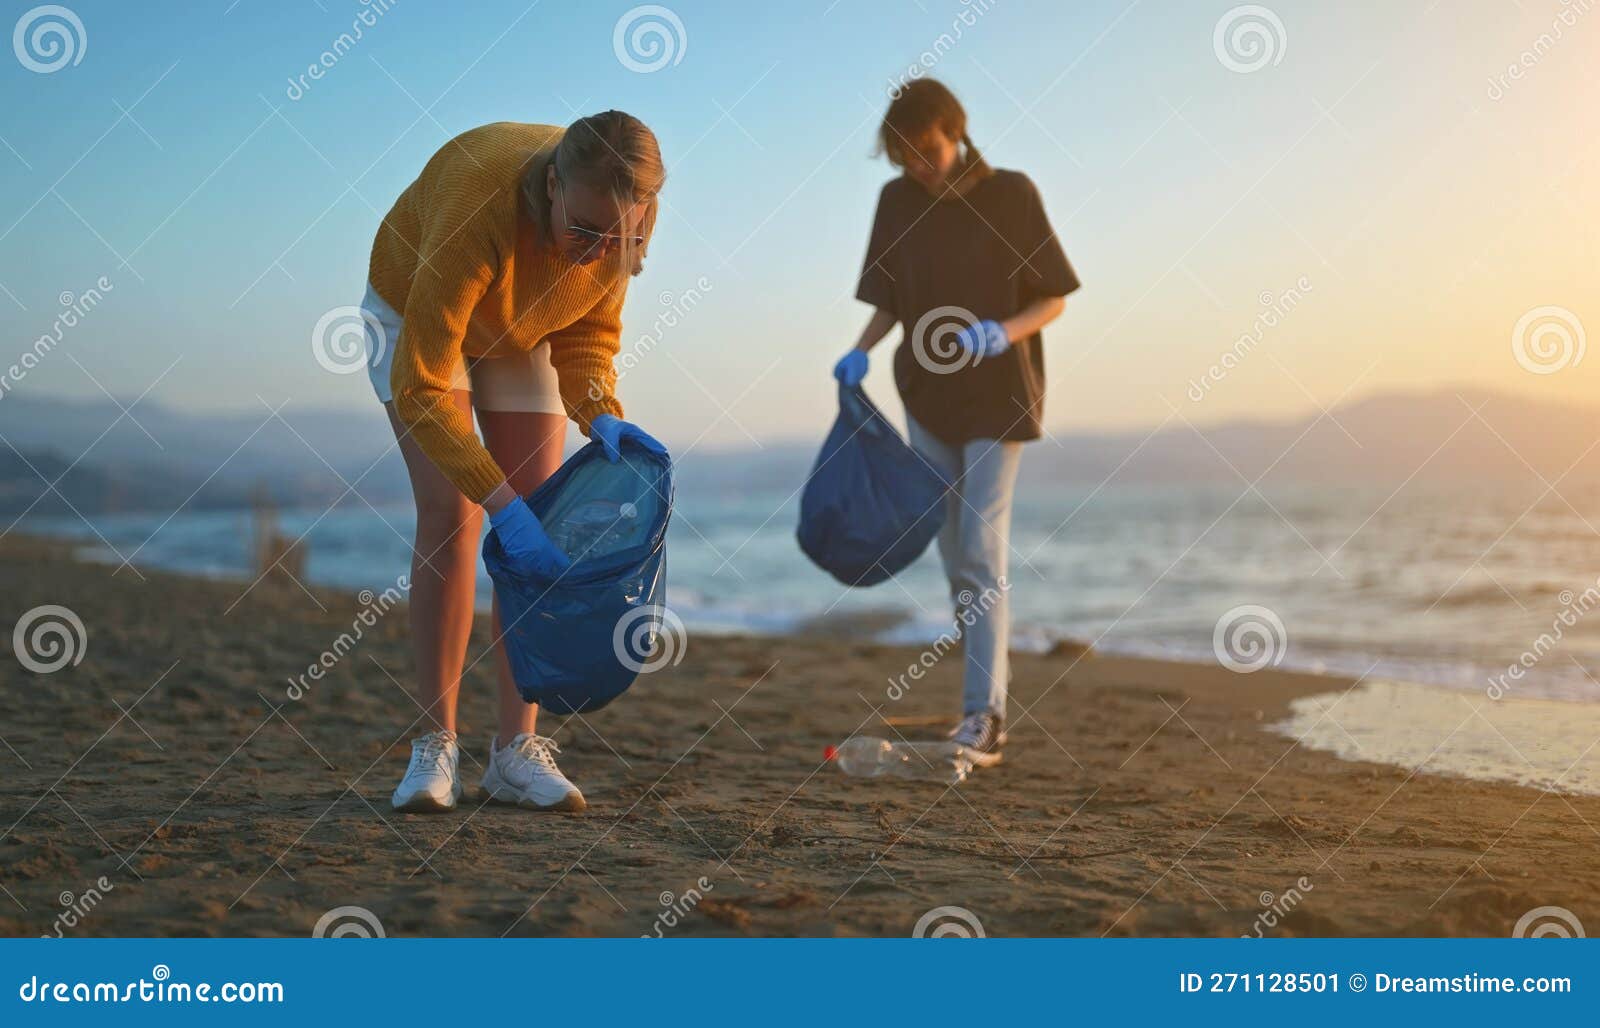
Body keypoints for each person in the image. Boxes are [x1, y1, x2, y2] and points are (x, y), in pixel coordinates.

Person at [361, 114, 667, 813]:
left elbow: (588, 333)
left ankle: (512, 753)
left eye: (619, 237)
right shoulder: (480, 202)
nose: (598, 251)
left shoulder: (622, 216)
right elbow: (424, 388)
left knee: (542, 523)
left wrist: (601, 410)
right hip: (416, 310)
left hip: (525, 322)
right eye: (584, 230)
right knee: (454, 516)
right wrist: (499, 505)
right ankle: (434, 744)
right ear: (554, 185)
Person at [836, 79, 1079, 770]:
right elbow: (888, 297)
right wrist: (861, 349)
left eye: (930, 149)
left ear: (958, 131)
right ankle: (978, 702)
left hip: (1000, 391)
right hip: (926, 395)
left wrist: (1006, 331)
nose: (918, 164)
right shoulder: (896, 203)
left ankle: (987, 714)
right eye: (905, 155)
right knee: (951, 549)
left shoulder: (1013, 194)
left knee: (978, 544)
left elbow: (1053, 297)